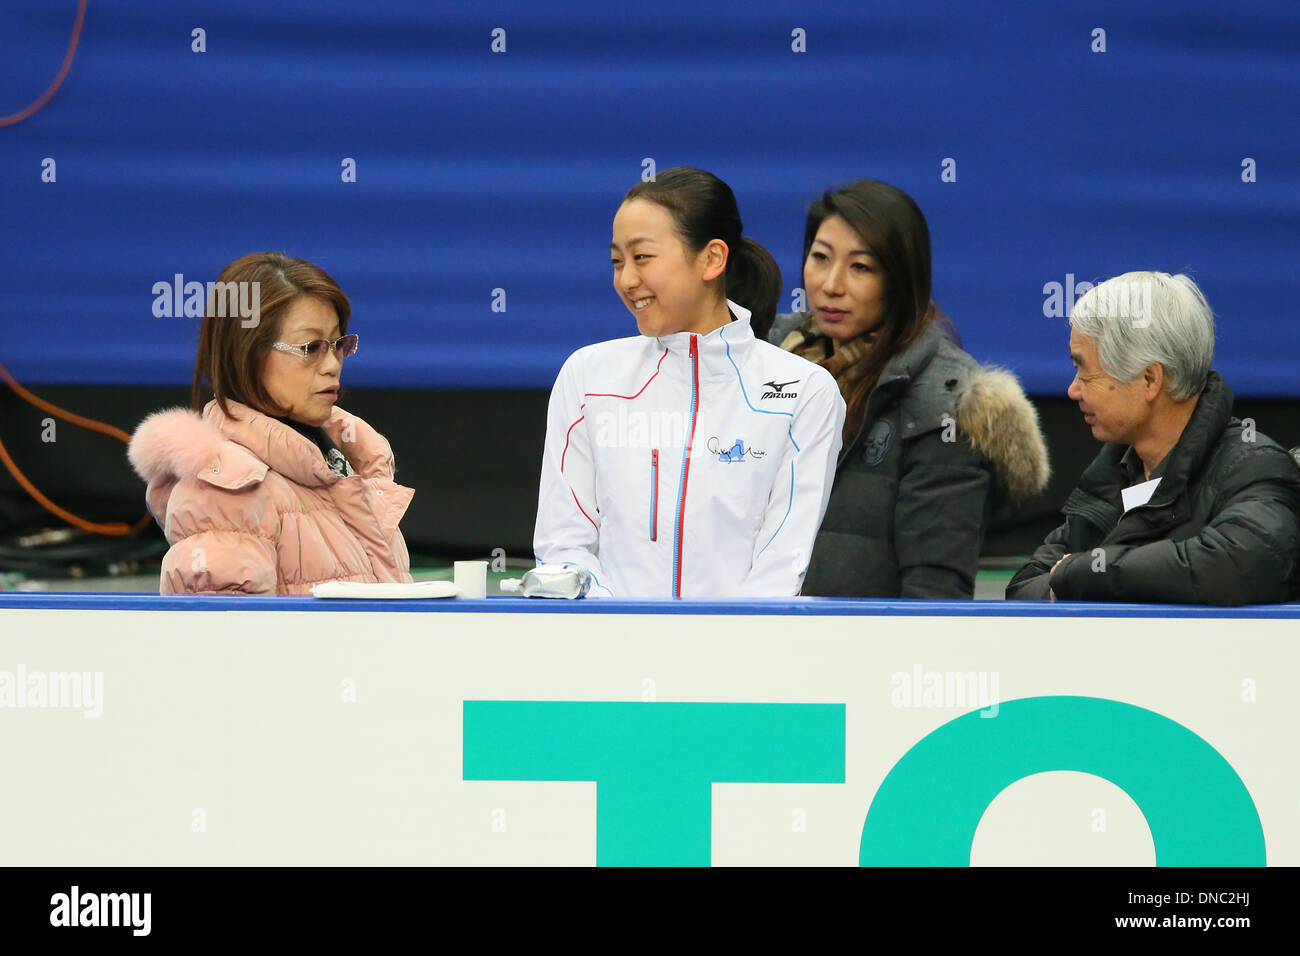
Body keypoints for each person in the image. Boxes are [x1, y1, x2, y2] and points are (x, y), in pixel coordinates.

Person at [534, 166, 846, 598]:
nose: (626, 279)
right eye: (616, 261)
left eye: (642, 257)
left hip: (740, 656)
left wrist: (710, 653)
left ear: (712, 258)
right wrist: (622, 635)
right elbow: (564, 547)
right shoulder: (587, 376)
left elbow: (781, 566)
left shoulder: (805, 391)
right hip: (609, 652)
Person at [767, 180, 1050, 597]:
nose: (831, 284)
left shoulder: (943, 402)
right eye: (820, 257)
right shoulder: (767, 360)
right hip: (754, 638)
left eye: (860, 267)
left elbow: (934, 593)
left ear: (901, 279)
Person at [127, 252, 414, 595]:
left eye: (339, 344)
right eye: (310, 347)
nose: (332, 365)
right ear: (247, 353)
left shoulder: (349, 464)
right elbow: (224, 644)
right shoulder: (224, 492)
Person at [1007, 271, 1300, 604]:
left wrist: (1083, 573)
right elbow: (1024, 589)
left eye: (1084, 369)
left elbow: (1246, 562)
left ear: (1150, 379)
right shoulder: (1110, 479)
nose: (1072, 389)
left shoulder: (1256, 469)